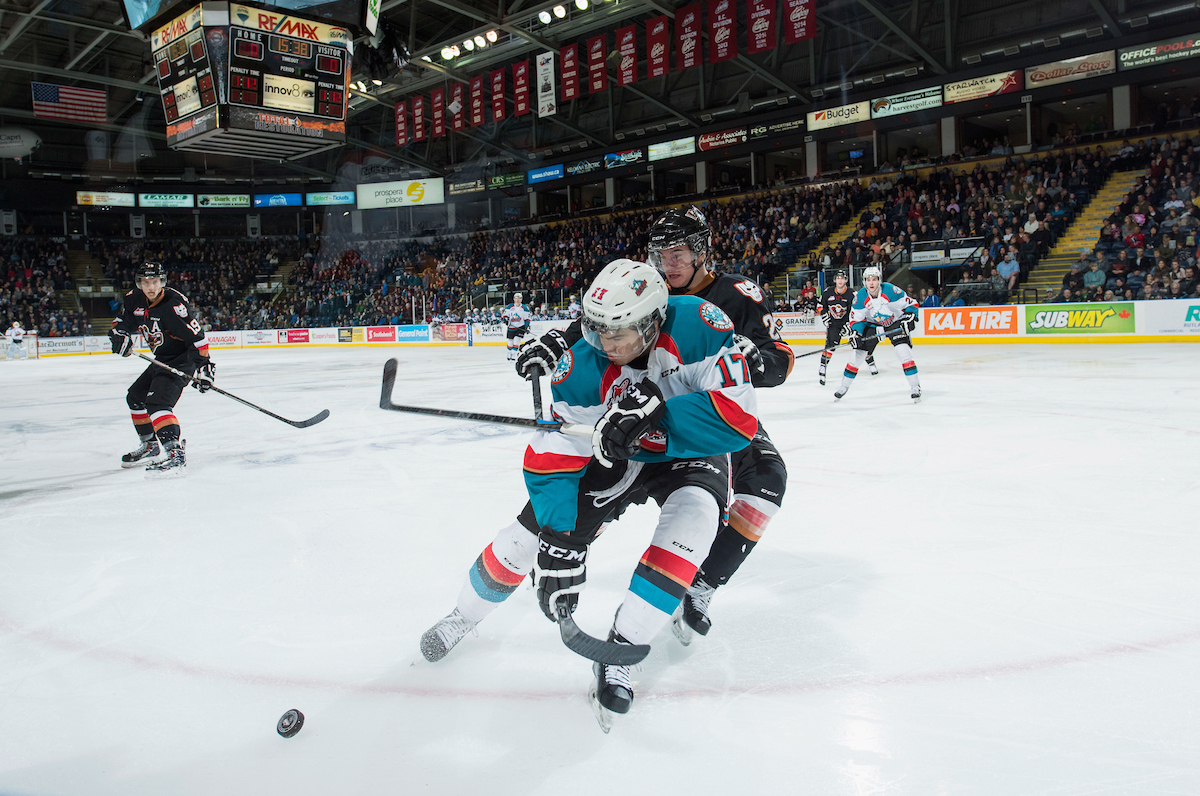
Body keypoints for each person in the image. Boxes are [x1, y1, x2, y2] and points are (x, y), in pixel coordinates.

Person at [420, 259, 758, 726]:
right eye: (595, 330)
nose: (603, 343)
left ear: (654, 321)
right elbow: (548, 459)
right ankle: (463, 614)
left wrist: (659, 418)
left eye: (617, 333)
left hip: (691, 450)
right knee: (528, 538)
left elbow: (739, 422)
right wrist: (559, 538)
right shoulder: (580, 367)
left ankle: (618, 653)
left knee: (695, 524)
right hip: (615, 452)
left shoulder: (703, 326)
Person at [515, 206, 793, 646]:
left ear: (701, 251)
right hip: (637, 412)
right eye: (661, 254)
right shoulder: (647, 288)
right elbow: (603, 327)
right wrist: (559, 340)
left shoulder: (739, 294)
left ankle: (702, 586)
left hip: (704, 412)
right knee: (588, 490)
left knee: (767, 480)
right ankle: (548, 549)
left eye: (679, 254)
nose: (669, 264)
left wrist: (761, 361)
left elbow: (779, 358)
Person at [108, 261, 214, 475]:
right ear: (140, 283)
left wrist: (205, 369)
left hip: (183, 359)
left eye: (155, 281)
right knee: (135, 397)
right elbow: (121, 323)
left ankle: (174, 452)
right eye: (146, 282)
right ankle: (150, 445)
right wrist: (119, 336)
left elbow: (198, 339)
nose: (150, 287)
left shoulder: (175, 305)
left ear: (162, 282)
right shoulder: (134, 299)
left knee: (158, 403)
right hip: (162, 357)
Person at [833, 265, 921, 403]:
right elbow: (857, 320)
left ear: (879, 280)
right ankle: (843, 386)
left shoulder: (891, 290)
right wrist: (856, 334)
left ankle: (915, 386)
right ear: (864, 282)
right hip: (873, 325)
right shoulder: (860, 297)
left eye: (874, 279)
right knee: (857, 354)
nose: (871, 283)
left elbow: (911, 304)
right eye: (868, 280)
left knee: (903, 351)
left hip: (894, 322)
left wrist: (909, 317)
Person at [817, 270, 877, 385]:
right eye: (838, 278)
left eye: (842, 278)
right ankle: (822, 367)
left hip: (851, 322)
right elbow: (820, 305)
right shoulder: (827, 292)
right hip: (834, 323)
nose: (840, 280)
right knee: (830, 345)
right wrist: (824, 315)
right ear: (835, 280)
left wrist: (850, 325)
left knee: (860, 343)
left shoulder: (852, 294)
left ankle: (871, 363)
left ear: (846, 280)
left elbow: (857, 310)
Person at [500, 291, 532, 360]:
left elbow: (528, 318)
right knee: (510, 342)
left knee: (516, 341)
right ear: (514, 299)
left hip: (520, 327)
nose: (517, 300)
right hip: (511, 327)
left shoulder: (524, 307)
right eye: (516, 298)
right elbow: (504, 315)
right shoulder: (510, 306)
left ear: (521, 299)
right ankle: (509, 353)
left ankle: (513, 354)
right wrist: (505, 319)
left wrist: (526, 326)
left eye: (519, 298)